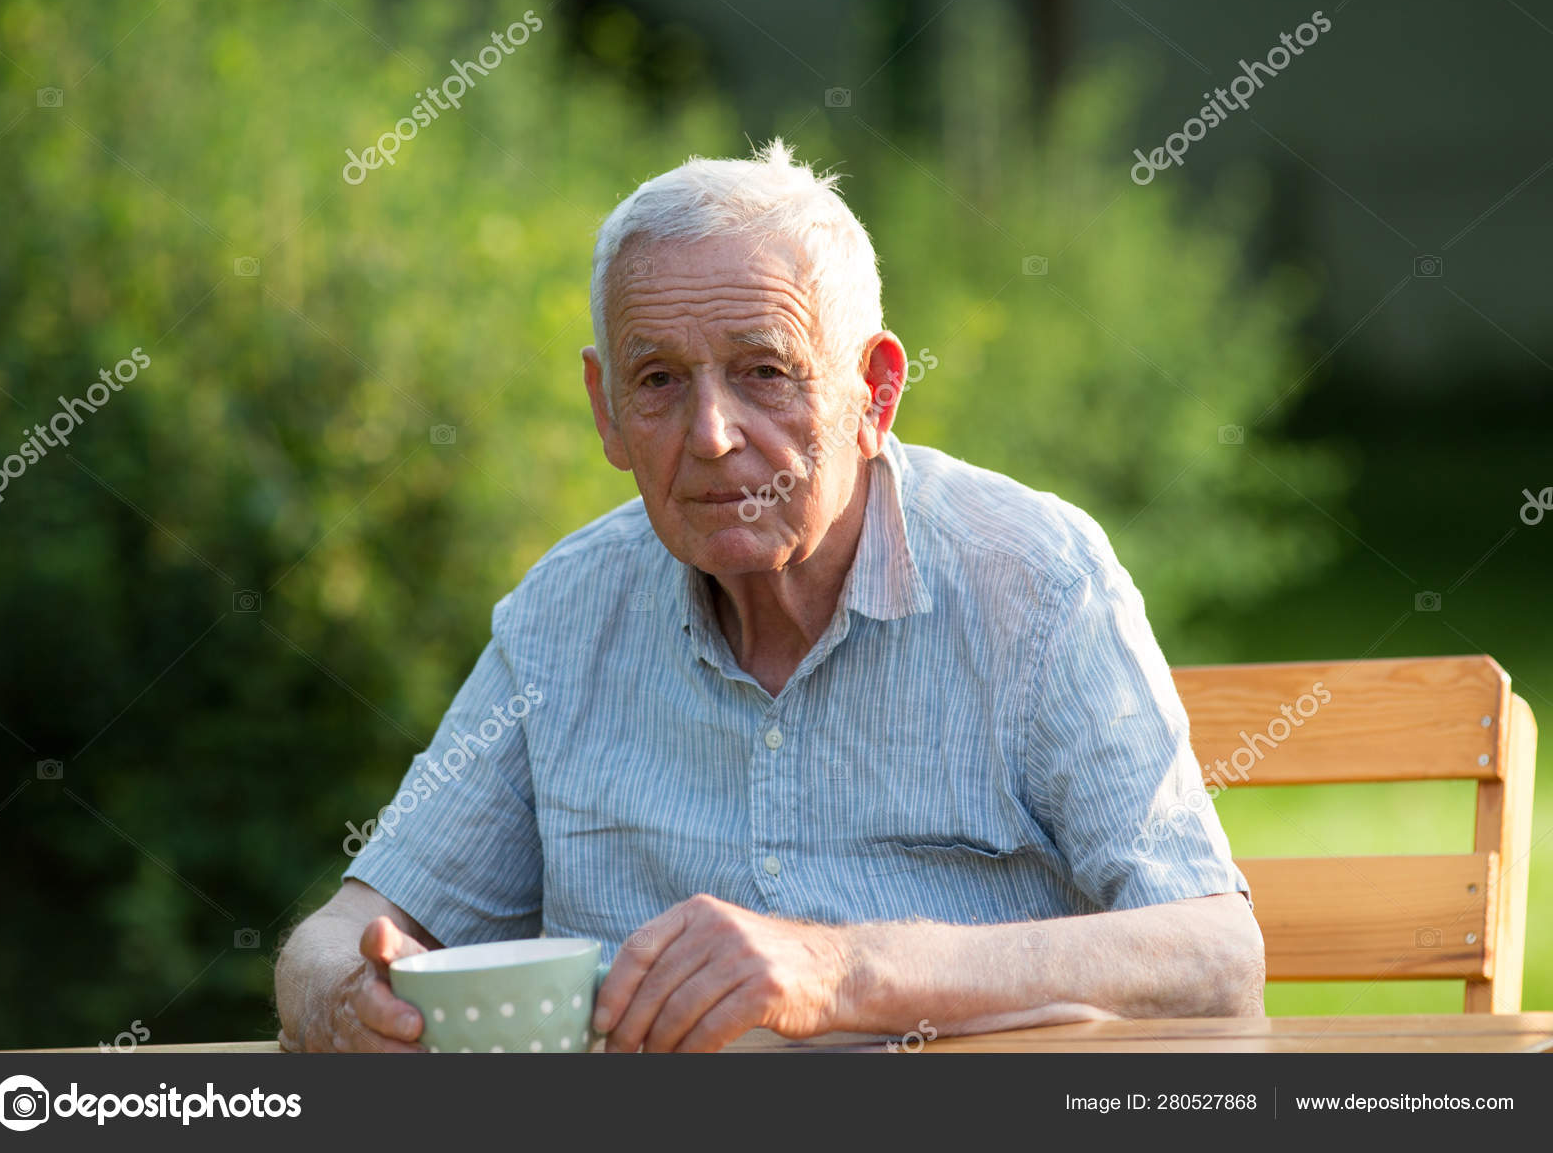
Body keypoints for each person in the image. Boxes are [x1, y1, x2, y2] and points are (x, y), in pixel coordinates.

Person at [273, 140, 1262, 1054]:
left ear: (874, 394)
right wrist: (352, 1001)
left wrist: (842, 971)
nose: (709, 434)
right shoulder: (565, 613)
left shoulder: (1033, 579)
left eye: (765, 373)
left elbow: (1216, 959)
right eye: (657, 379)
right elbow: (343, 934)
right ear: (605, 410)